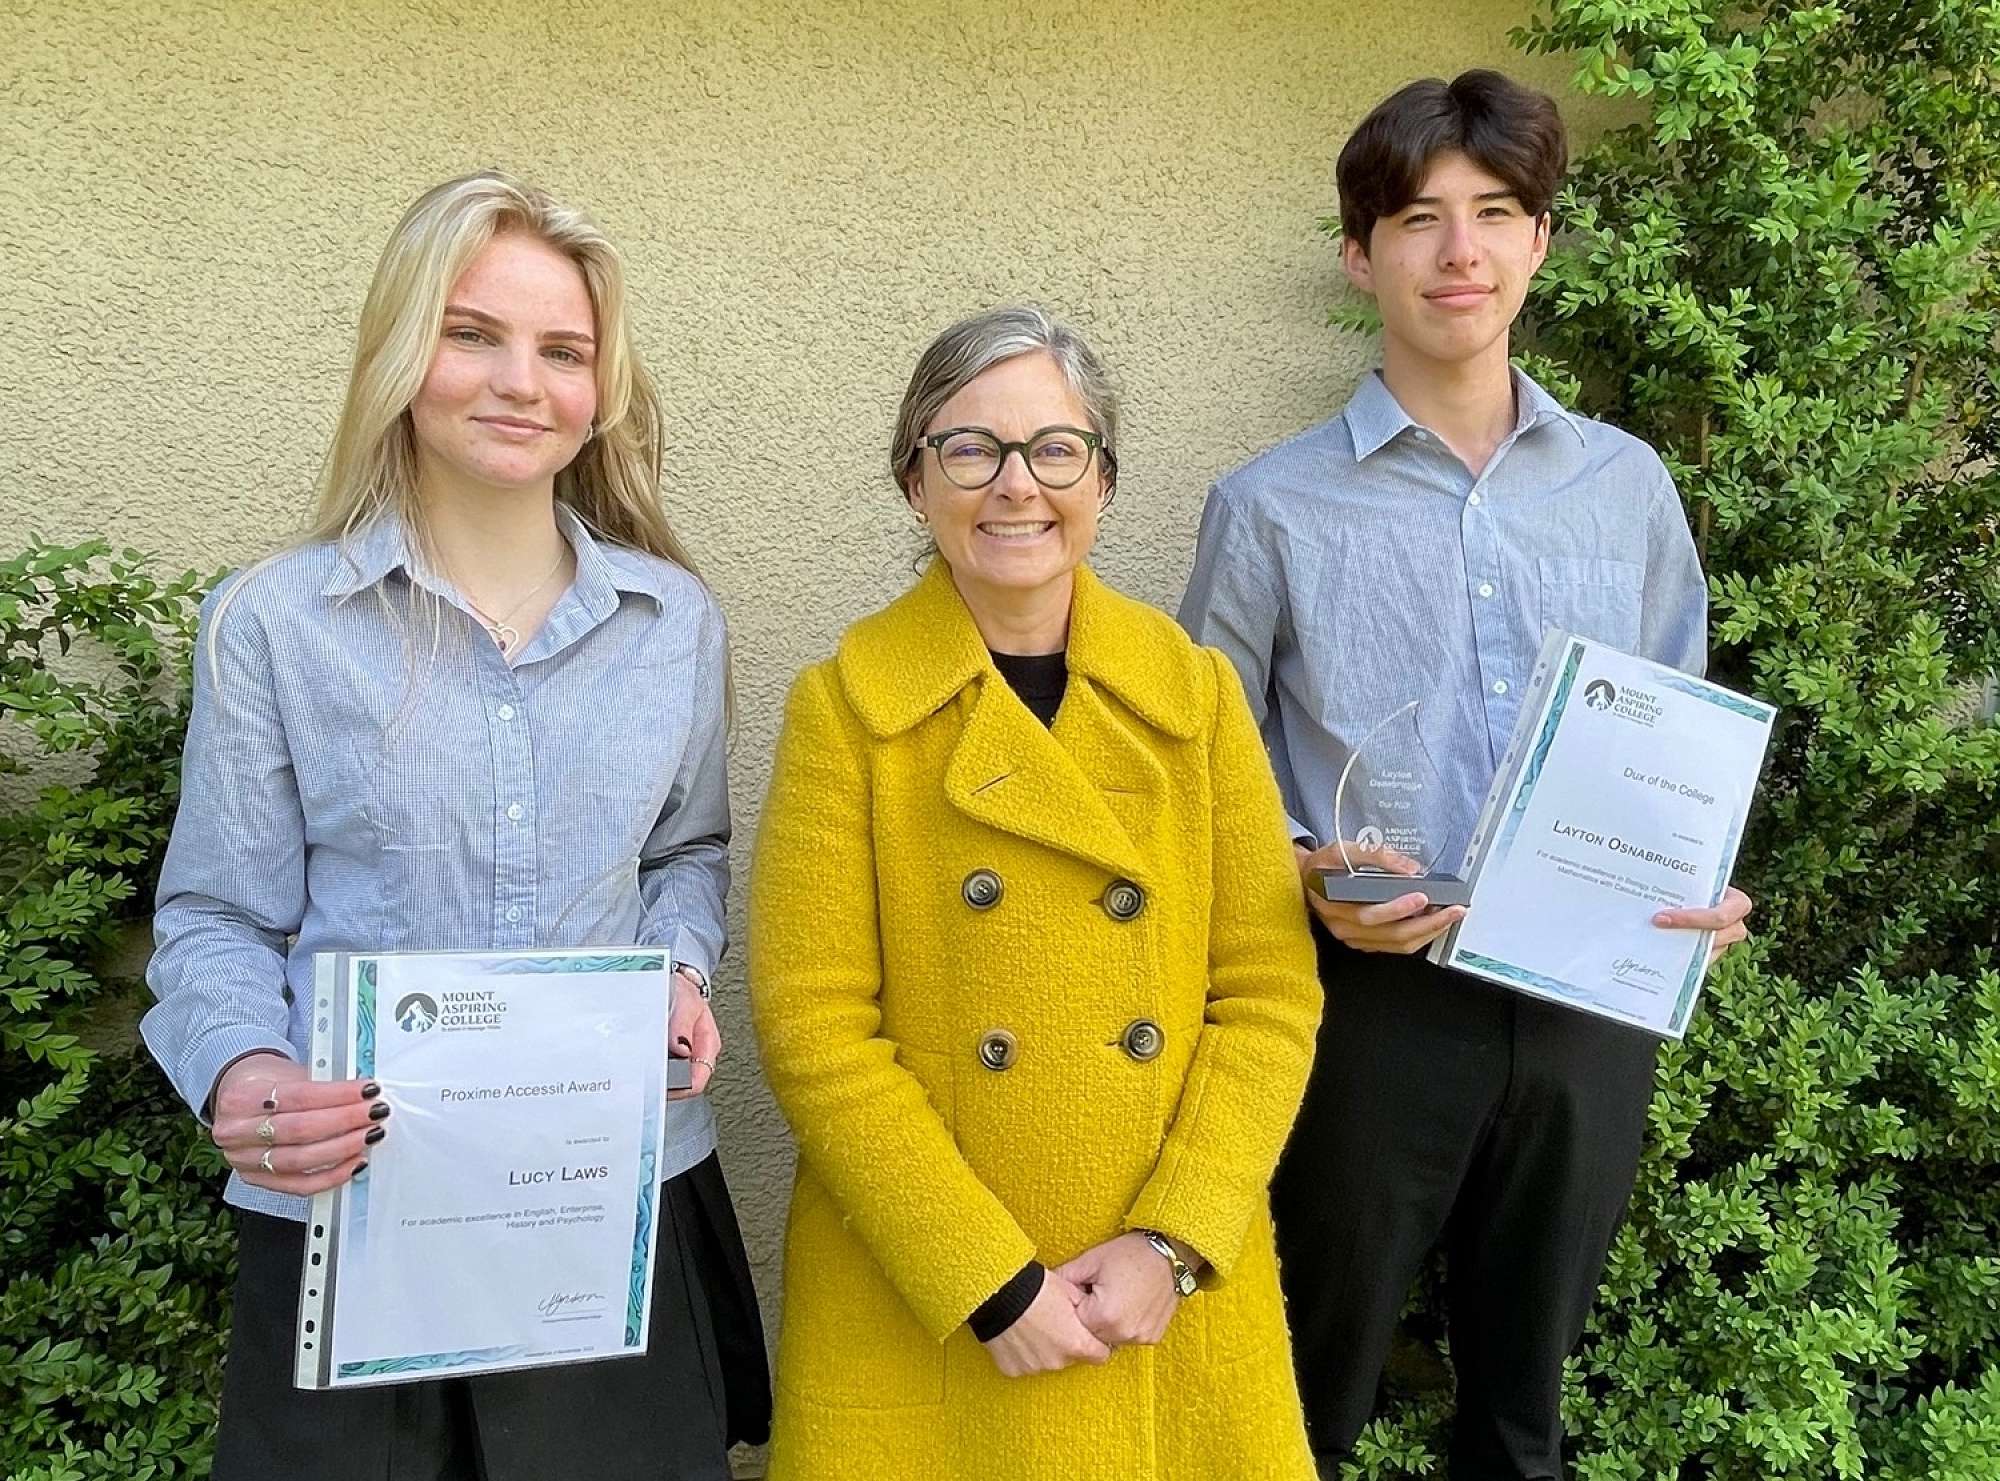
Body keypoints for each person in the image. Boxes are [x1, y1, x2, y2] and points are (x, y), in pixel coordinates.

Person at [141, 172, 770, 1481]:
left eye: (563, 351)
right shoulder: (274, 623)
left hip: (607, 1198)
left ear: (600, 387)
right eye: (471, 333)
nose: (519, 383)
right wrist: (240, 1069)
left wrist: (677, 969)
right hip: (356, 1211)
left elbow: (686, 854)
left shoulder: (673, 625)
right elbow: (215, 913)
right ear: (399, 353)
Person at [1179, 72, 1755, 1480]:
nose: (1460, 252)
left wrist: (1702, 880)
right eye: (1418, 218)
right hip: (1368, 1009)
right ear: (1358, 254)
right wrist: (1300, 876)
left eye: (1495, 213)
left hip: (1588, 1001)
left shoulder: (1625, 486)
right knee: (1299, 1407)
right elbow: (1205, 777)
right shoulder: (1267, 506)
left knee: (1520, 1417)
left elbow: (1677, 728)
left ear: (1538, 241)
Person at [748, 305, 1323, 1480]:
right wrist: (985, 1278)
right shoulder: (845, 709)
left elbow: (1267, 995)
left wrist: (1174, 1240)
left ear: (1100, 478)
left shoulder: (1197, 699)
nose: (1016, 485)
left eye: (1054, 449)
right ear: (915, 480)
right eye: (971, 448)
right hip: (930, 1296)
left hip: (1161, 1296)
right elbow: (813, 1027)